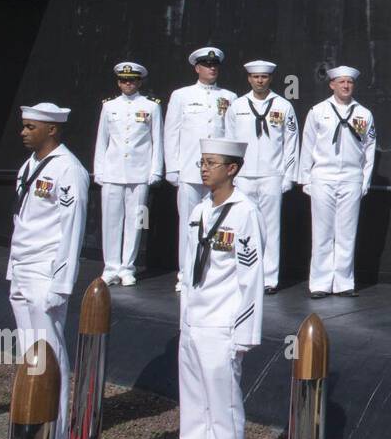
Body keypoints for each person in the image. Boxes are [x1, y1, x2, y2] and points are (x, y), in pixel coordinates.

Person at [158, 138, 264, 439]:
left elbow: (250, 277)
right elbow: (188, 270)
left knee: (223, 410)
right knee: (194, 410)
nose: (204, 169)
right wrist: (184, 317)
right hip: (193, 322)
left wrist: (244, 333)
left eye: (212, 163)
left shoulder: (244, 212)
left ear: (232, 168)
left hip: (223, 324)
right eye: (202, 162)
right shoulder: (200, 209)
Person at [2, 103, 89, 439]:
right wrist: (12, 267)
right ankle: (30, 422)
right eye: (23, 126)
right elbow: (22, 222)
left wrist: (62, 283)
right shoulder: (29, 166)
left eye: (31, 127)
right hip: (23, 267)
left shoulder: (69, 169)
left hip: (45, 271)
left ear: (52, 129)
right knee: (29, 352)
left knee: (49, 350)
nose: (23, 132)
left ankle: (56, 430)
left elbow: (73, 228)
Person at [297, 66, 375, 298]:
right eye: (341, 82)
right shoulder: (318, 111)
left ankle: (343, 282)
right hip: (323, 176)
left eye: (349, 82)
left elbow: (369, 149)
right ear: (332, 84)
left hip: (351, 177)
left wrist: (365, 180)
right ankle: (320, 282)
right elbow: (307, 145)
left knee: (346, 232)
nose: (346, 86)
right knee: (322, 231)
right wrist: (305, 178)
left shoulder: (364, 114)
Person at [165, 47, 236, 292]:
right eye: (206, 64)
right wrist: (172, 167)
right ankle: (185, 272)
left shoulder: (230, 97)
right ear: (197, 68)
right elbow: (171, 132)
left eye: (215, 64)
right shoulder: (181, 95)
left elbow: (232, 135)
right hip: (189, 168)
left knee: (217, 223)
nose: (212, 68)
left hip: (218, 172)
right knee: (188, 222)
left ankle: (211, 270)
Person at [228, 60, 298, 294]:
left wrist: (288, 176)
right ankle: (244, 273)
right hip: (244, 176)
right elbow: (230, 142)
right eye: (255, 77)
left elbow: (290, 144)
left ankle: (269, 277)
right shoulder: (237, 106)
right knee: (244, 226)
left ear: (270, 79)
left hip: (272, 174)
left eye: (264, 77)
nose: (260, 80)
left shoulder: (283, 106)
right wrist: (231, 174)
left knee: (270, 228)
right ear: (249, 78)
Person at [94, 61, 163, 286]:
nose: (128, 84)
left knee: (136, 221)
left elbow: (157, 141)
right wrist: (99, 170)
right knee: (111, 220)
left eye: (132, 80)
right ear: (118, 82)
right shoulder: (109, 106)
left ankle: (127, 268)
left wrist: (156, 170)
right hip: (113, 171)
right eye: (124, 80)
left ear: (139, 81)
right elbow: (101, 141)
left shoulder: (151, 106)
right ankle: (111, 267)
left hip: (139, 173)